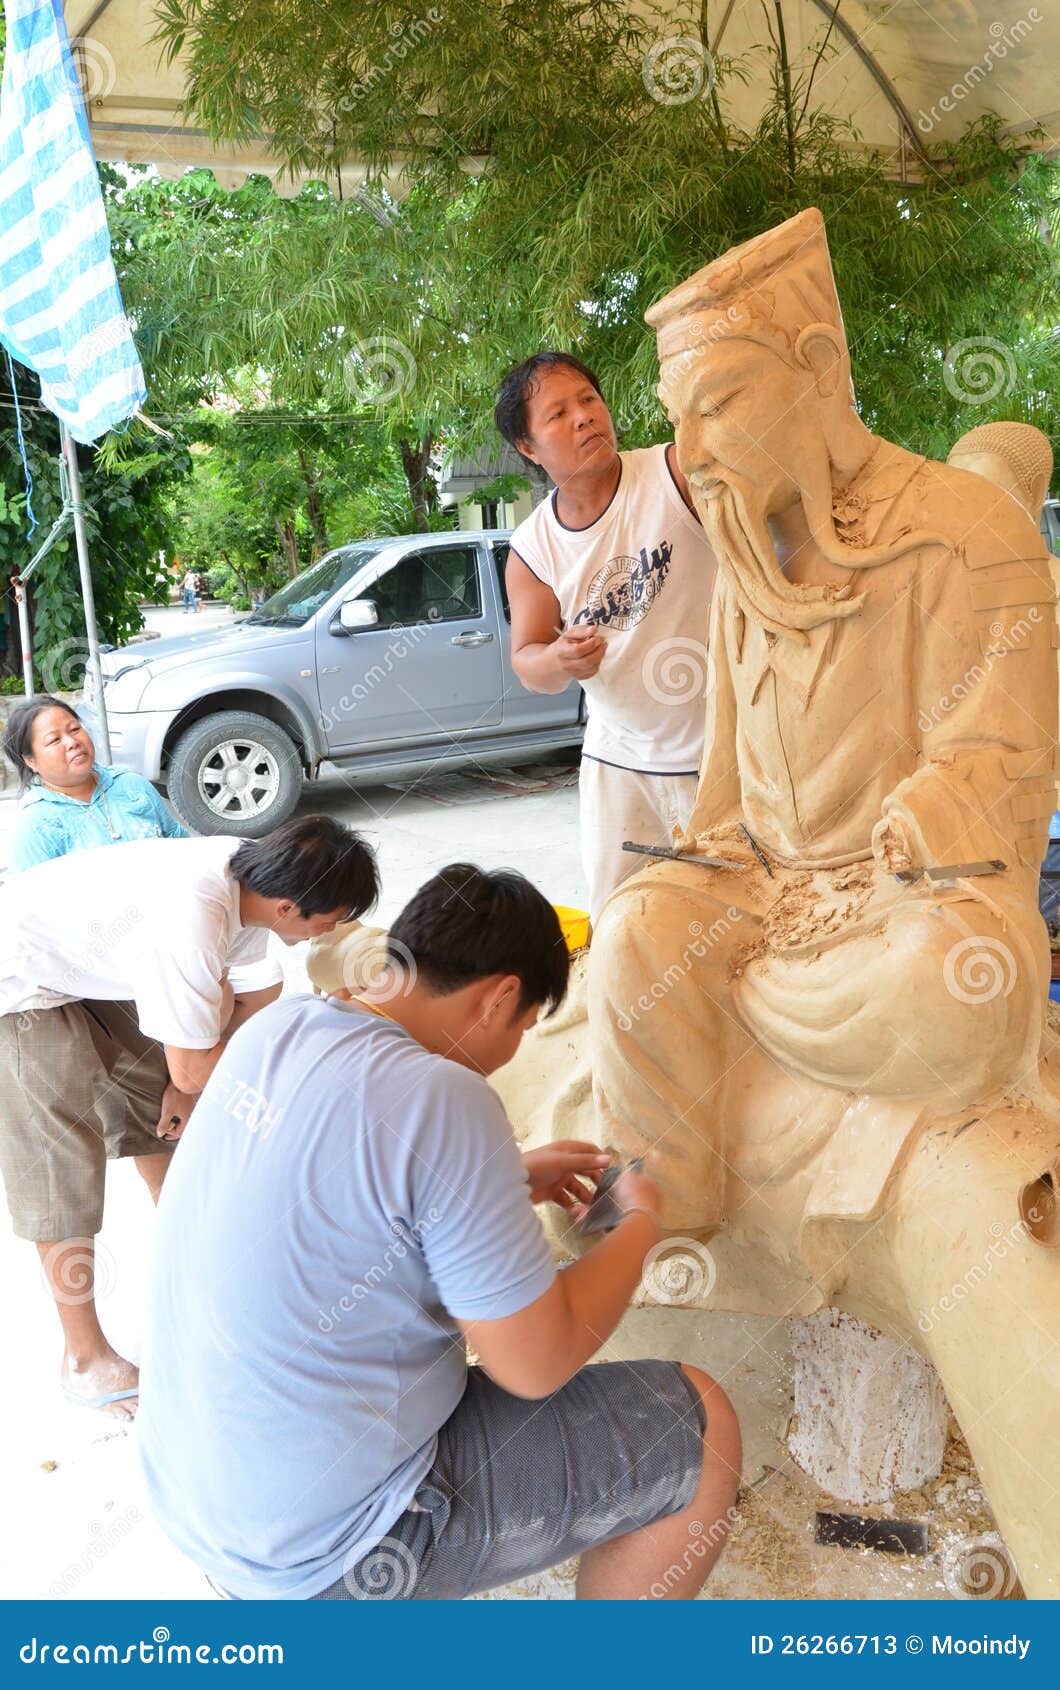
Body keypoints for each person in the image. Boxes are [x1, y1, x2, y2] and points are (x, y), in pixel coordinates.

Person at [137, 864, 741, 1601]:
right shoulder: (447, 1097)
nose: (514, 1044)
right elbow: (535, 1362)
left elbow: (340, 1181)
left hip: (204, 1507)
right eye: (523, 1026)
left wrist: (501, 1176)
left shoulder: (280, 1028)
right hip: (328, 1555)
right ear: (500, 998)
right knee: (701, 1424)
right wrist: (641, 1225)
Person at [0, 815, 379, 1419]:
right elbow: (199, 1070)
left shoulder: (248, 877)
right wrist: (207, 1072)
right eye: (328, 921)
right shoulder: (193, 918)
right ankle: (84, 1358)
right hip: (17, 982)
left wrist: (188, 1083)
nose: (328, 933)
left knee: (164, 1112)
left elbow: (256, 995)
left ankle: (198, 1267)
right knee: (61, 1165)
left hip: (89, 965)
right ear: (288, 908)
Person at [494, 352, 719, 920]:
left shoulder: (675, 475)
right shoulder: (533, 549)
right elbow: (528, 663)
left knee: (737, 921)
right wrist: (562, 659)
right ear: (528, 447)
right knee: (625, 923)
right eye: (558, 413)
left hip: (721, 753)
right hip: (620, 765)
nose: (584, 417)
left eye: (589, 400)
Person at [3, 695, 187, 873]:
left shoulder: (132, 785)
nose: (72, 742)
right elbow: (31, 899)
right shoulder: (34, 826)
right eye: (54, 740)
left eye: (74, 729)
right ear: (30, 761)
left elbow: (181, 847)